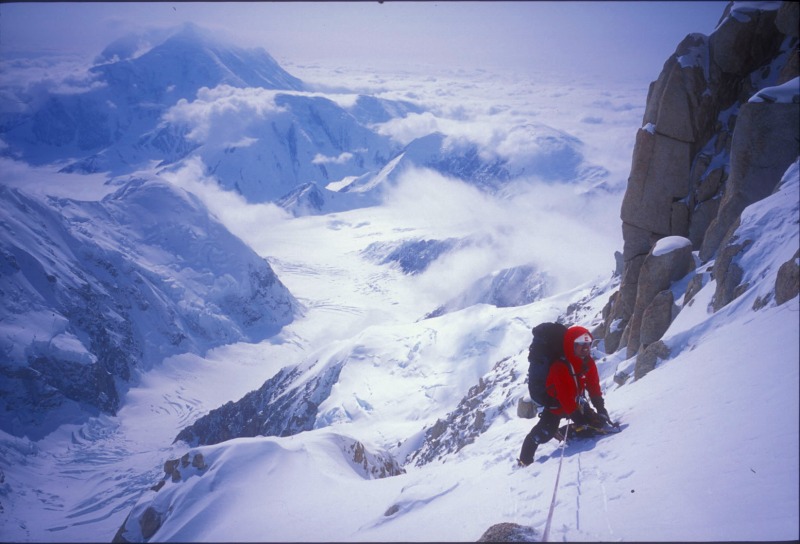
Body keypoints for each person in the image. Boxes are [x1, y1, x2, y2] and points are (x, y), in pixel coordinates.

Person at [518, 325, 611, 466]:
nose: (585, 347)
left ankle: (565, 432)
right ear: (571, 345)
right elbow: (564, 396)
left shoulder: (587, 362)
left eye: (588, 343)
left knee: (596, 423)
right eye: (580, 344)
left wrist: (601, 409)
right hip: (556, 405)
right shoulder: (559, 367)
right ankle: (524, 461)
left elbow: (593, 387)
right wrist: (578, 418)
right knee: (542, 435)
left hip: (576, 403)